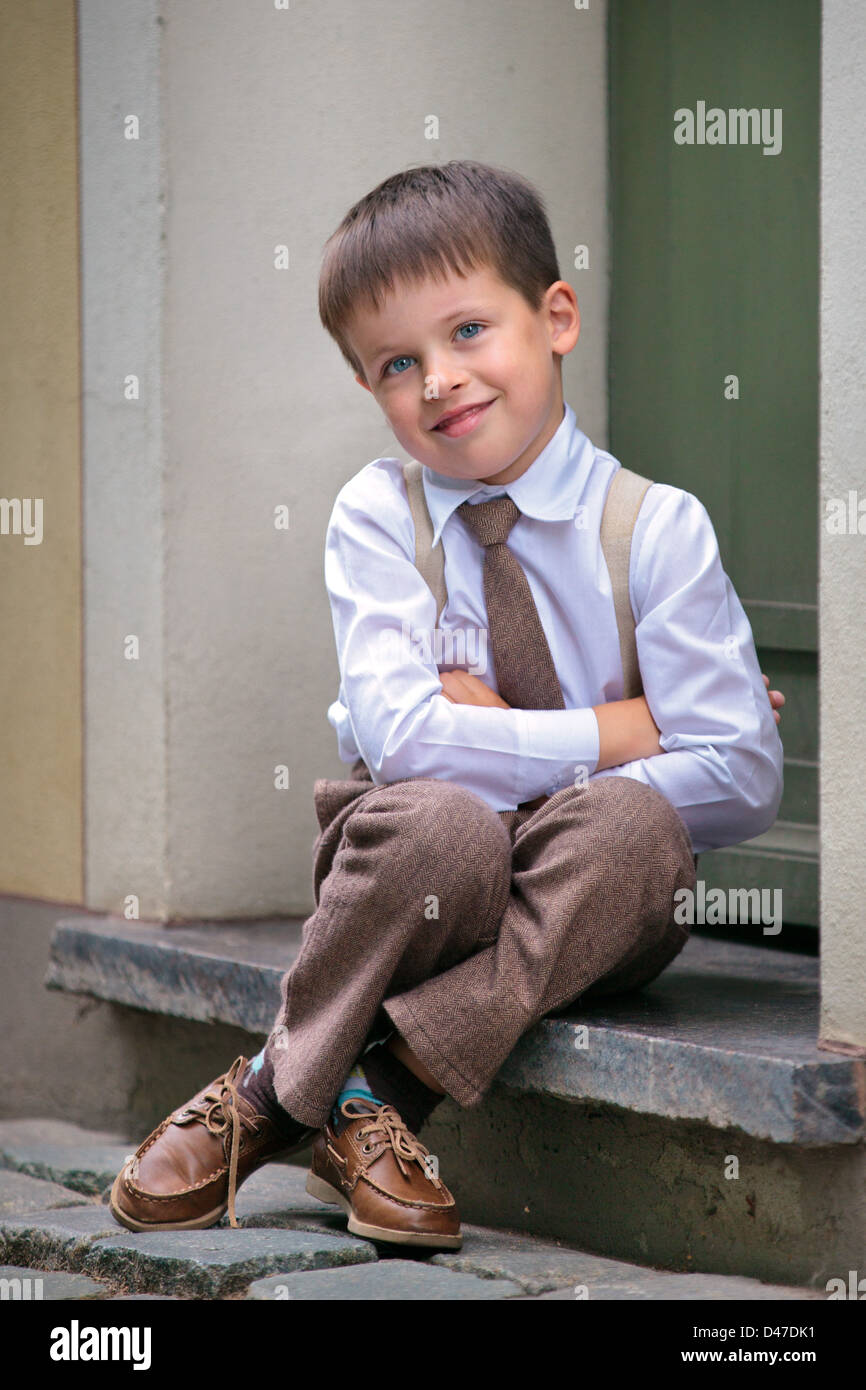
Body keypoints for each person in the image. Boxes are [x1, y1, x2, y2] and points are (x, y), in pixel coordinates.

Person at [110, 160, 785, 1251]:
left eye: (469, 330)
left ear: (554, 317)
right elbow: (405, 744)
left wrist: (498, 744)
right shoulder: (379, 516)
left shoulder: (652, 529)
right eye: (396, 362)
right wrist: (609, 732)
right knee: (439, 820)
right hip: (417, 874)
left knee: (628, 829)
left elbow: (743, 774)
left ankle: (341, 1091)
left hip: (593, 897)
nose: (439, 380)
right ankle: (309, 1092)